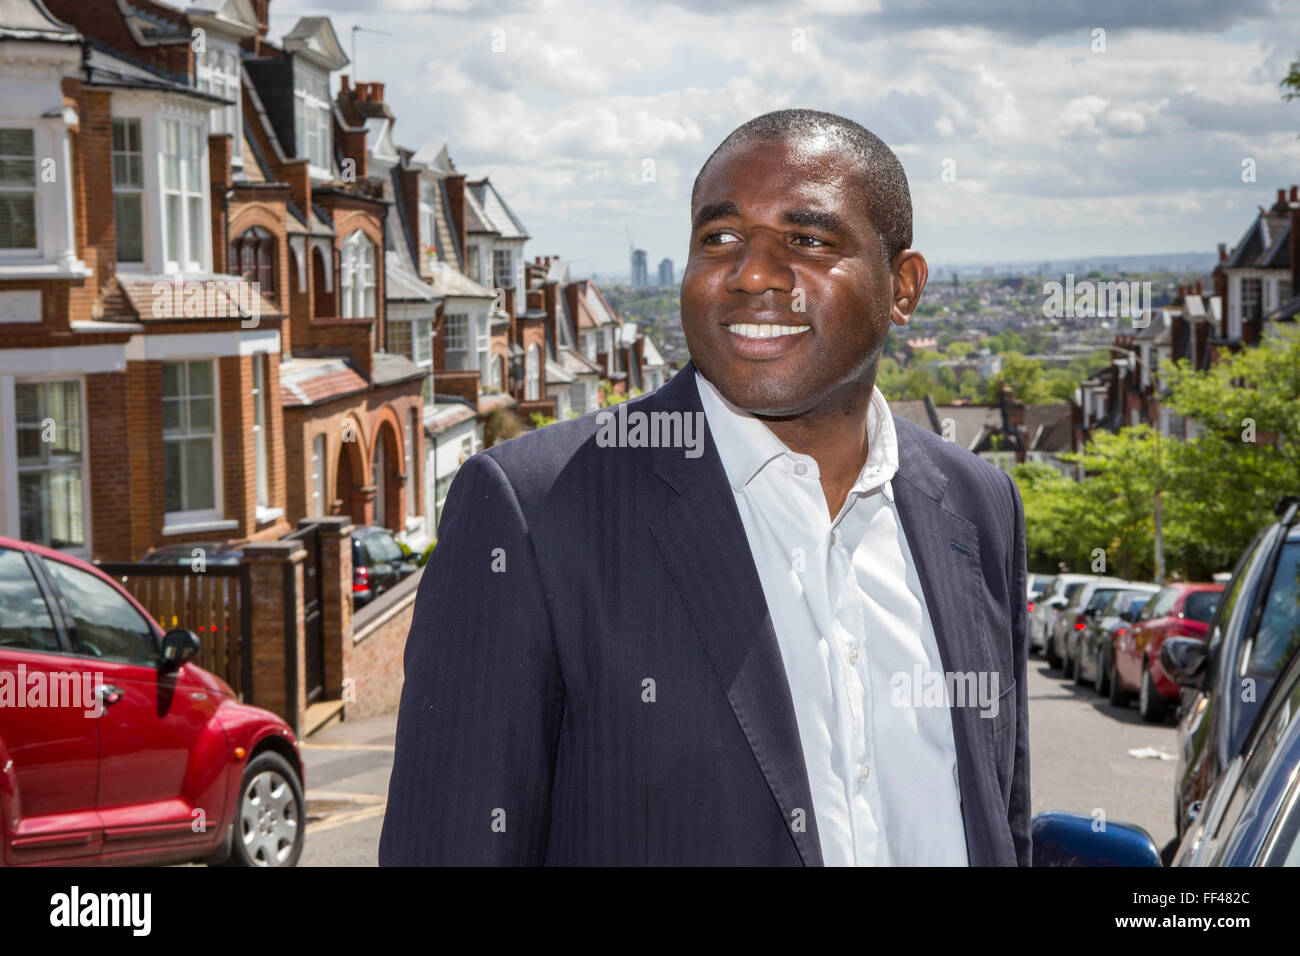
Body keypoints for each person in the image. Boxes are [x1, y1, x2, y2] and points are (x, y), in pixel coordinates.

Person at [379, 109, 1030, 866]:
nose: (751, 272)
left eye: (807, 240)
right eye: (719, 238)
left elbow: (1000, 811)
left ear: (903, 287)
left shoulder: (981, 505)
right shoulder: (531, 514)